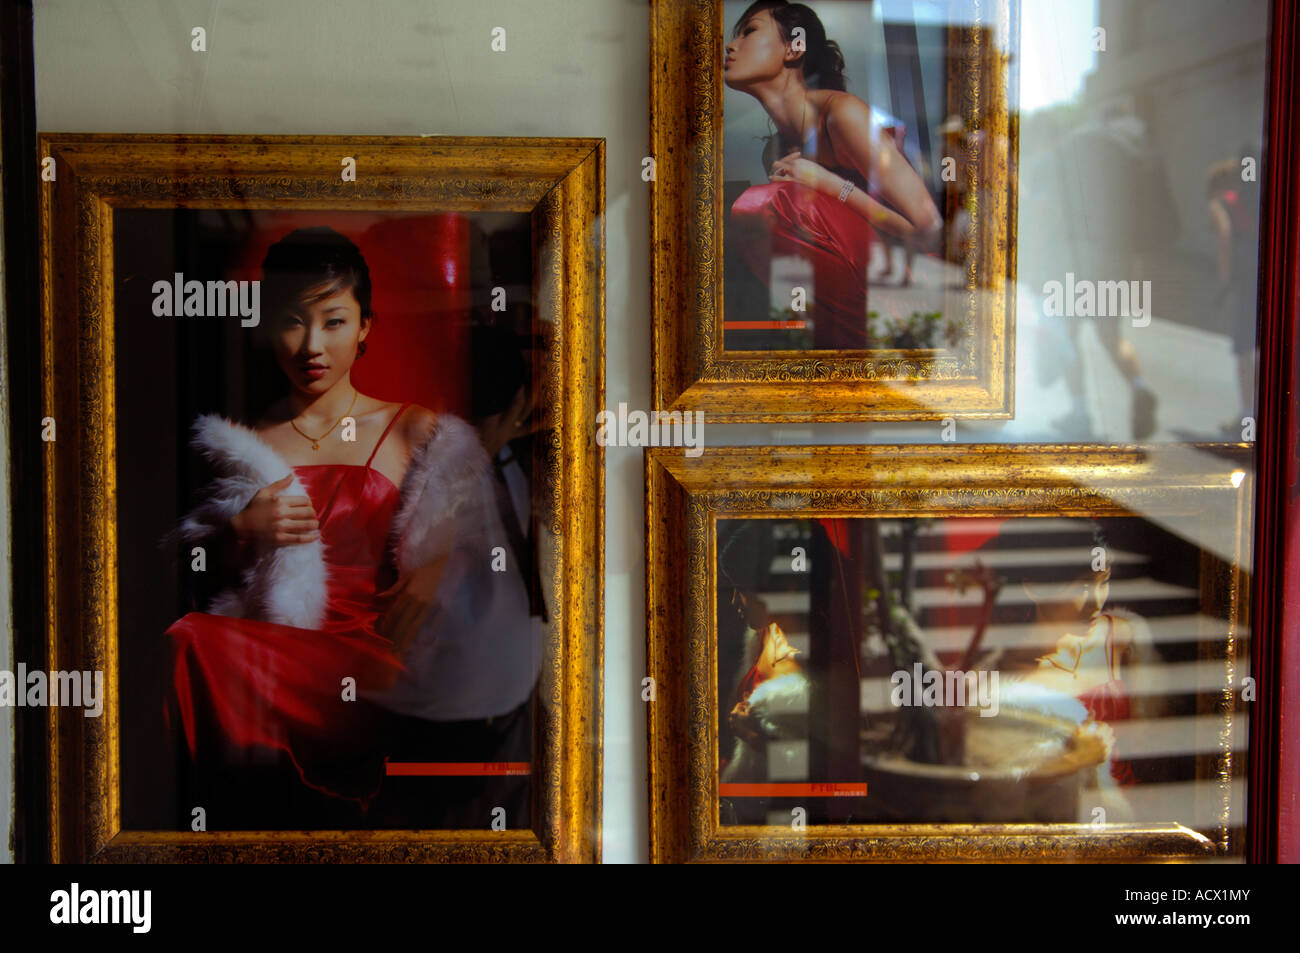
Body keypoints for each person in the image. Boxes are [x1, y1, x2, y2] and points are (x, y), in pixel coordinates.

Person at [161, 226, 496, 828]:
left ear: (365, 326)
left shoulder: (412, 430)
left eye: (334, 321)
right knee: (188, 638)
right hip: (271, 653)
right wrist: (240, 530)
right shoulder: (245, 445)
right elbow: (190, 570)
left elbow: (485, 537)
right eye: (292, 321)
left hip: (371, 663)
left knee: (195, 645)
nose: (311, 345)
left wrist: (438, 568)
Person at [723, 0, 942, 348]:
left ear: (794, 49)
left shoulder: (842, 115)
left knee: (760, 202)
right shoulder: (777, 151)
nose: (730, 45)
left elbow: (928, 230)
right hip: (848, 287)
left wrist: (830, 184)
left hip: (912, 288)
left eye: (749, 31)